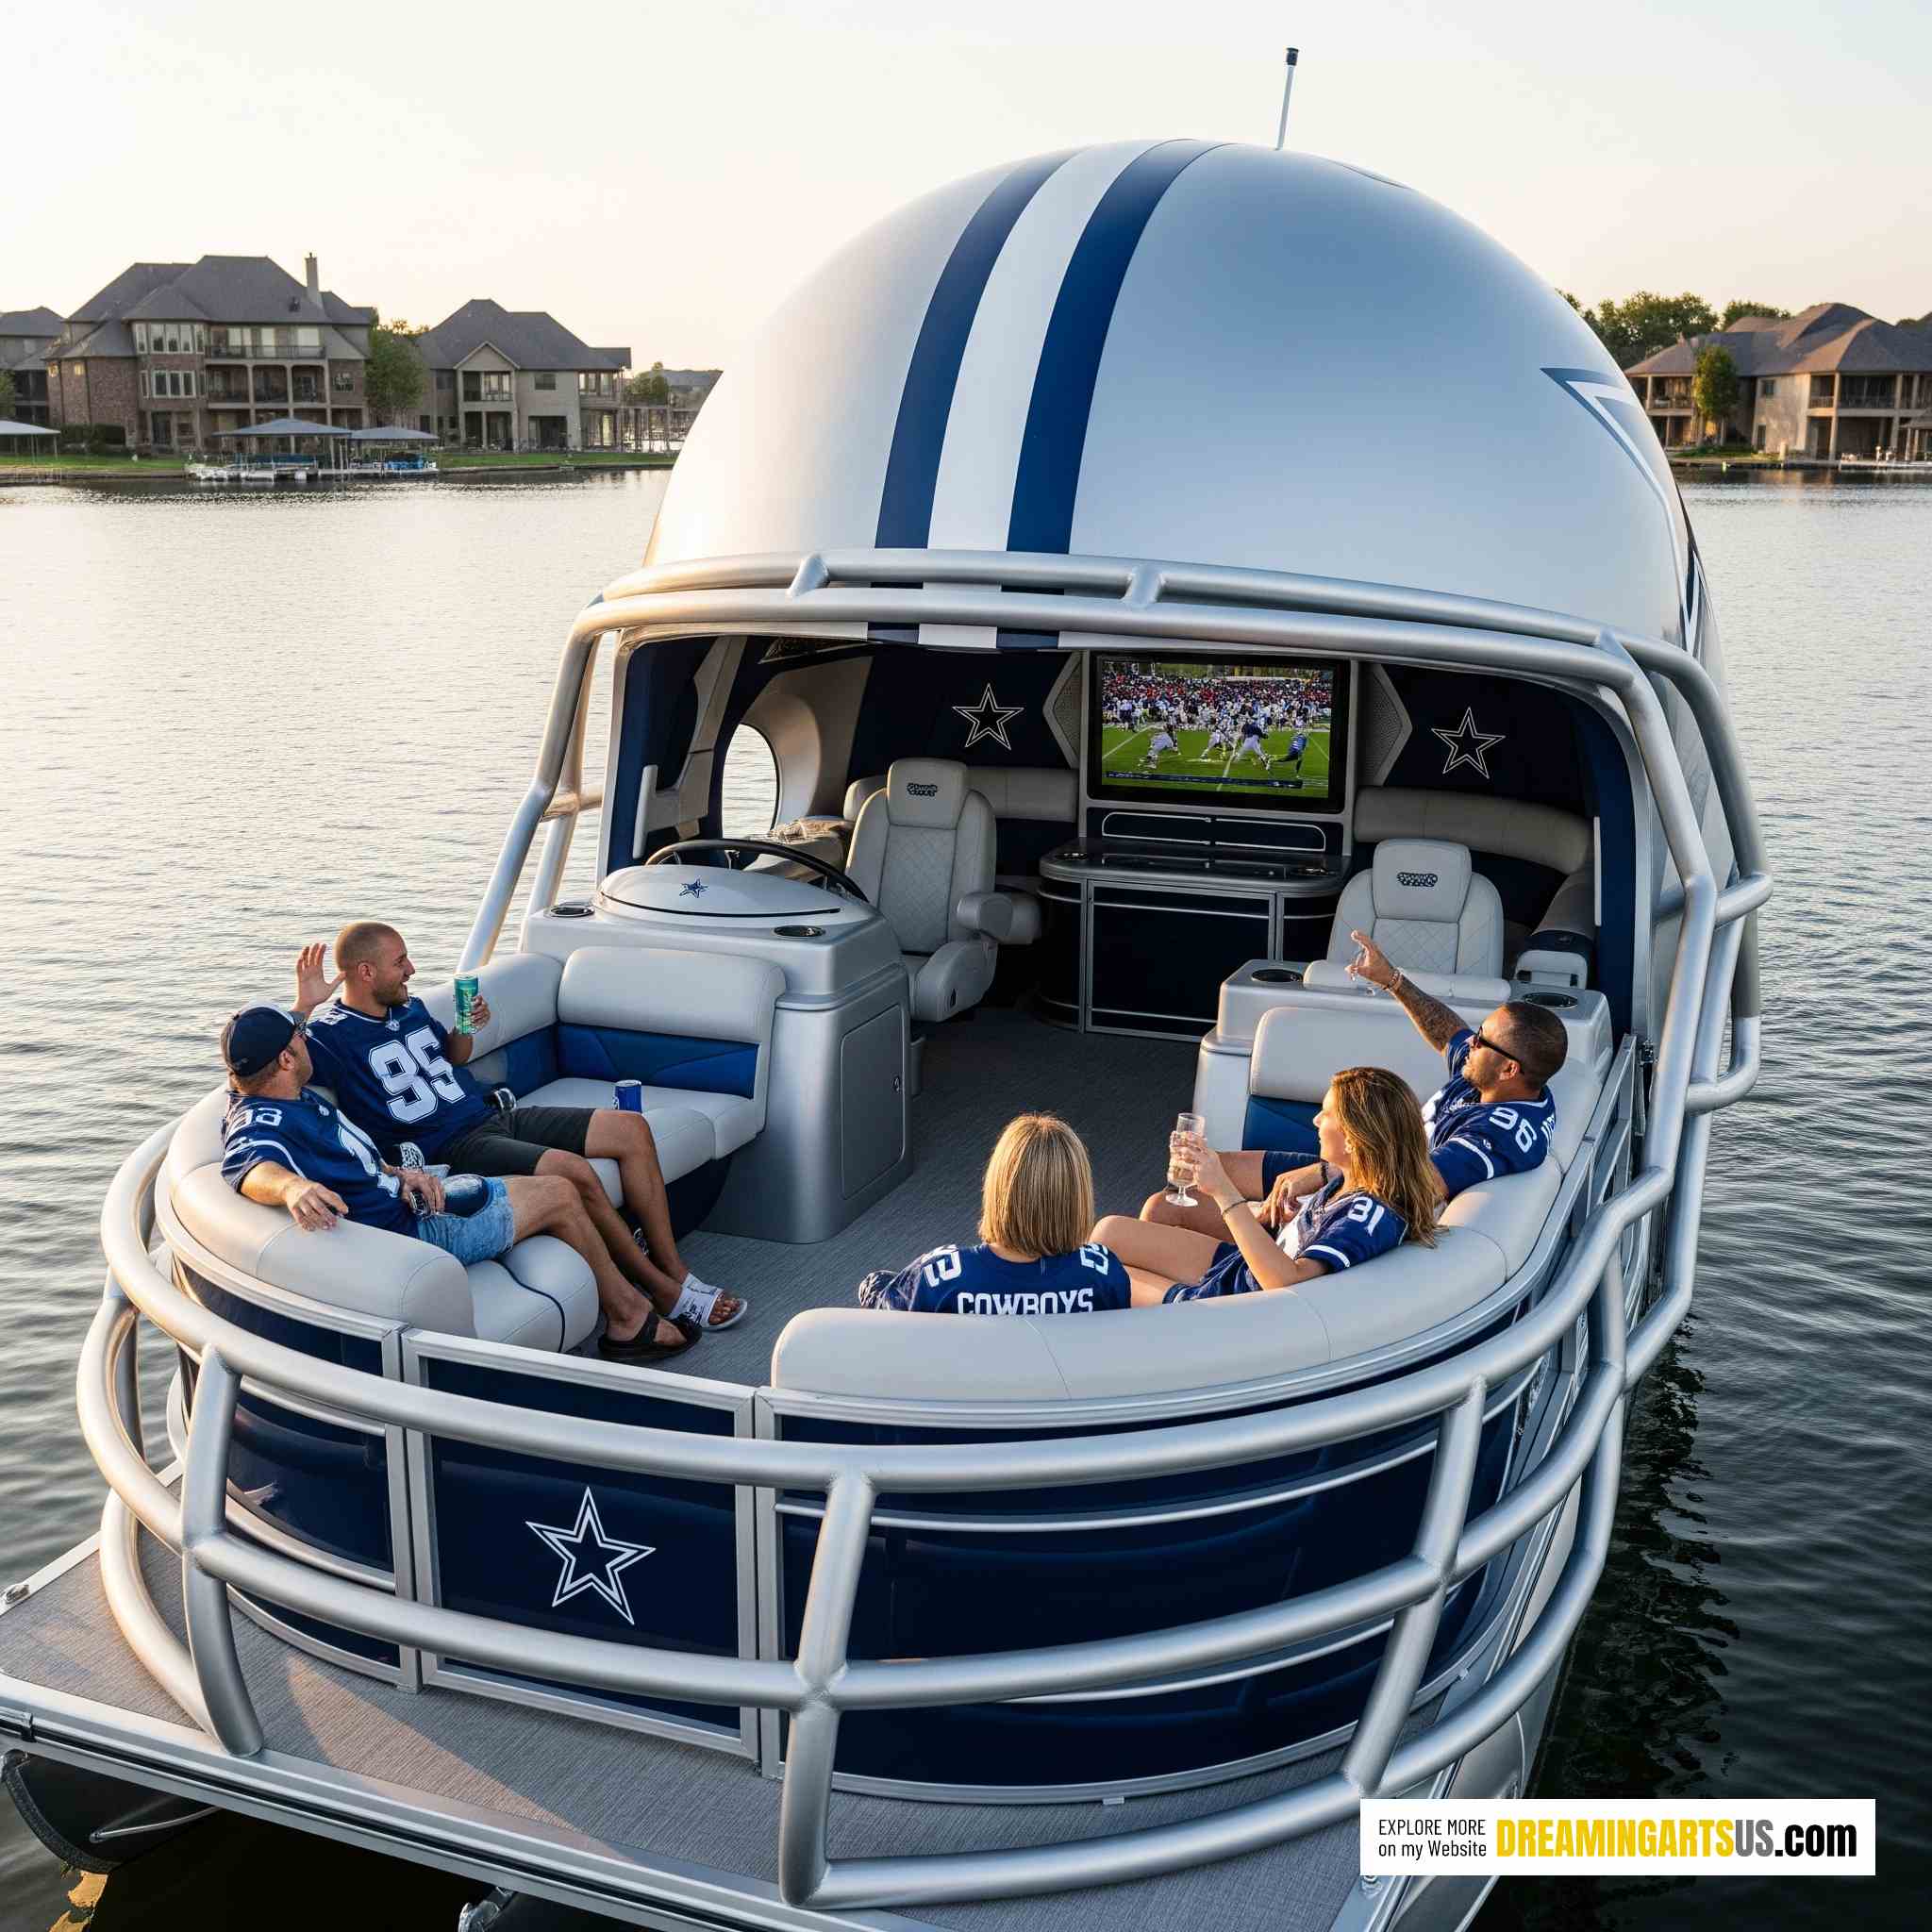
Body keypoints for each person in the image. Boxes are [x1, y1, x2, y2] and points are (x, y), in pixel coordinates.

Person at [291, 925, 746, 1333]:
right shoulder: (330, 1035)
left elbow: (453, 1057)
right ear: (366, 972)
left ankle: (675, 1269)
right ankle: (663, 1290)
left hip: (487, 1116)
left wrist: (467, 1028)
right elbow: (274, 1069)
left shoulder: (409, 1007)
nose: (411, 969)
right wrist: (303, 1006)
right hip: (448, 1146)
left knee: (630, 1129)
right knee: (572, 1169)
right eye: (400, 962)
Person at [215, 1004, 692, 1362]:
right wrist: (291, 1189)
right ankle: (629, 1319)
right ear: (285, 1059)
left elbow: (355, 1163)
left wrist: (401, 1174)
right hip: (413, 1230)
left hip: (413, 1191)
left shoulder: (290, 1096)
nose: (306, 1040)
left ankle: (637, 1297)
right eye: (299, 1037)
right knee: (560, 1192)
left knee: (559, 1181)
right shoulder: (263, 1119)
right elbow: (250, 1164)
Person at [1141, 927, 1570, 1244]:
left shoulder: (1499, 1134)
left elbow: (1415, 1183)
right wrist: (1392, 980)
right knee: (1203, 1172)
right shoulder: (1492, 1079)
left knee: (1165, 1209)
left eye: (1481, 1041)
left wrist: (1321, 1177)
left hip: (1360, 1197)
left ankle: (1207, 1277)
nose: (1470, 1042)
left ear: (1509, 1068)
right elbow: (1447, 1032)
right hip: (1360, 1164)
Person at [1095, 1067, 1438, 1307]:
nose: (1316, 1120)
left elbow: (1285, 1284)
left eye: (1326, 1114)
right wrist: (1281, 1221)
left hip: (1232, 1302)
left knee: (1095, 1272)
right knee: (1108, 1232)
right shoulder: (1351, 1183)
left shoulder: (1367, 1214)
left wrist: (1224, 1191)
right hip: (1239, 1269)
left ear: (1353, 1139)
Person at [858, 1114, 1131, 1316]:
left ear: (998, 1188)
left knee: (879, 1283)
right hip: (1060, 1379)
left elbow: (887, 1319)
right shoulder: (1103, 1273)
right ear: (1078, 1198)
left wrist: (873, 1286)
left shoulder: (938, 1279)